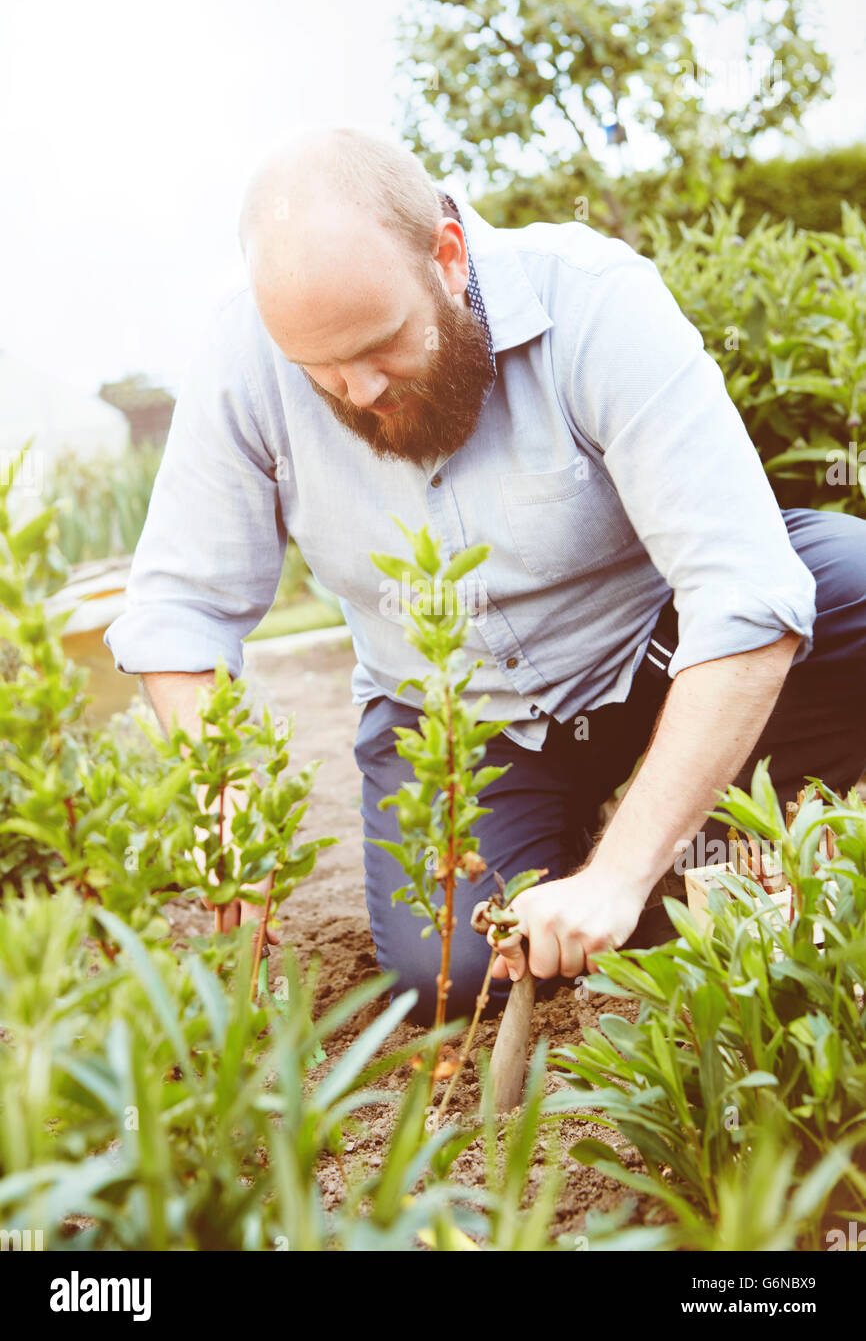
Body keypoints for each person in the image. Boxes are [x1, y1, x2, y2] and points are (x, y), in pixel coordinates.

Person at [105, 126, 866, 1024]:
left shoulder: (594, 301)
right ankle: (639, 861)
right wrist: (220, 786)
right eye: (320, 369)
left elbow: (744, 589)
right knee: (466, 973)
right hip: (456, 715)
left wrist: (622, 875)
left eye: (382, 344)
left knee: (843, 580)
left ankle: (694, 840)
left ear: (449, 256)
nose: (357, 392)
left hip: (653, 647)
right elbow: (179, 607)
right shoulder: (245, 359)